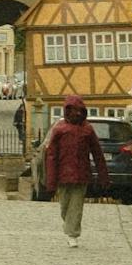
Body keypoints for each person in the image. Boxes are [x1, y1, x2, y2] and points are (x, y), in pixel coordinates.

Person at [43, 94, 110, 248]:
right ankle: (69, 225)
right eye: (73, 110)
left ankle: (73, 233)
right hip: (63, 174)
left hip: (81, 174)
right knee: (65, 206)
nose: (76, 114)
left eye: (79, 111)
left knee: (77, 205)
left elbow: (97, 153)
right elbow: (51, 156)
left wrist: (103, 176)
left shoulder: (87, 130)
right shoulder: (59, 129)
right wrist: (50, 180)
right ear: (67, 111)